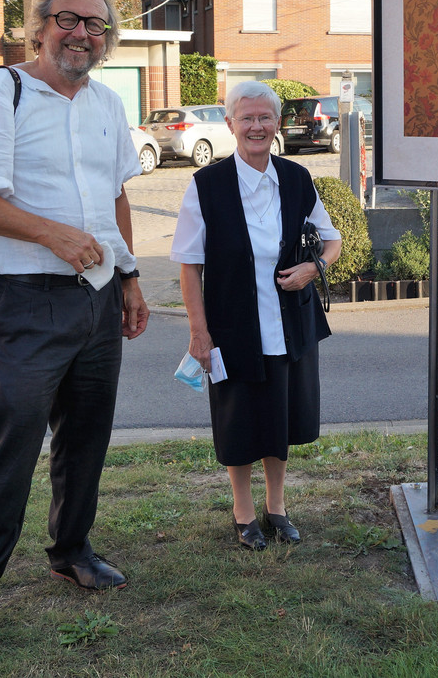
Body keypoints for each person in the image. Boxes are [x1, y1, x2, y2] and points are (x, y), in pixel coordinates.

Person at [0, 0, 150, 661]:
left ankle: (71, 551)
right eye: (68, 19)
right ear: (39, 28)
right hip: (29, 299)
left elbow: (114, 197)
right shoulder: (0, 92)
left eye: (95, 25)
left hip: (97, 296)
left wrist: (128, 278)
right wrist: (52, 235)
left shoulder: (107, 103)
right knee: (16, 442)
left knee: (86, 437)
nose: (81, 34)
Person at [170, 80, 342, 551]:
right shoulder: (207, 186)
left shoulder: (296, 178)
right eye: (246, 118)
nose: (256, 126)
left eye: (265, 117)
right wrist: (199, 332)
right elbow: (189, 265)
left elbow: (332, 240)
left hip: (289, 324)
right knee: (239, 420)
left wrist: (314, 268)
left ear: (277, 123)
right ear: (230, 124)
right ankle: (243, 512)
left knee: (279, 417)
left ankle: (277, 507)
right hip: (232, 326)